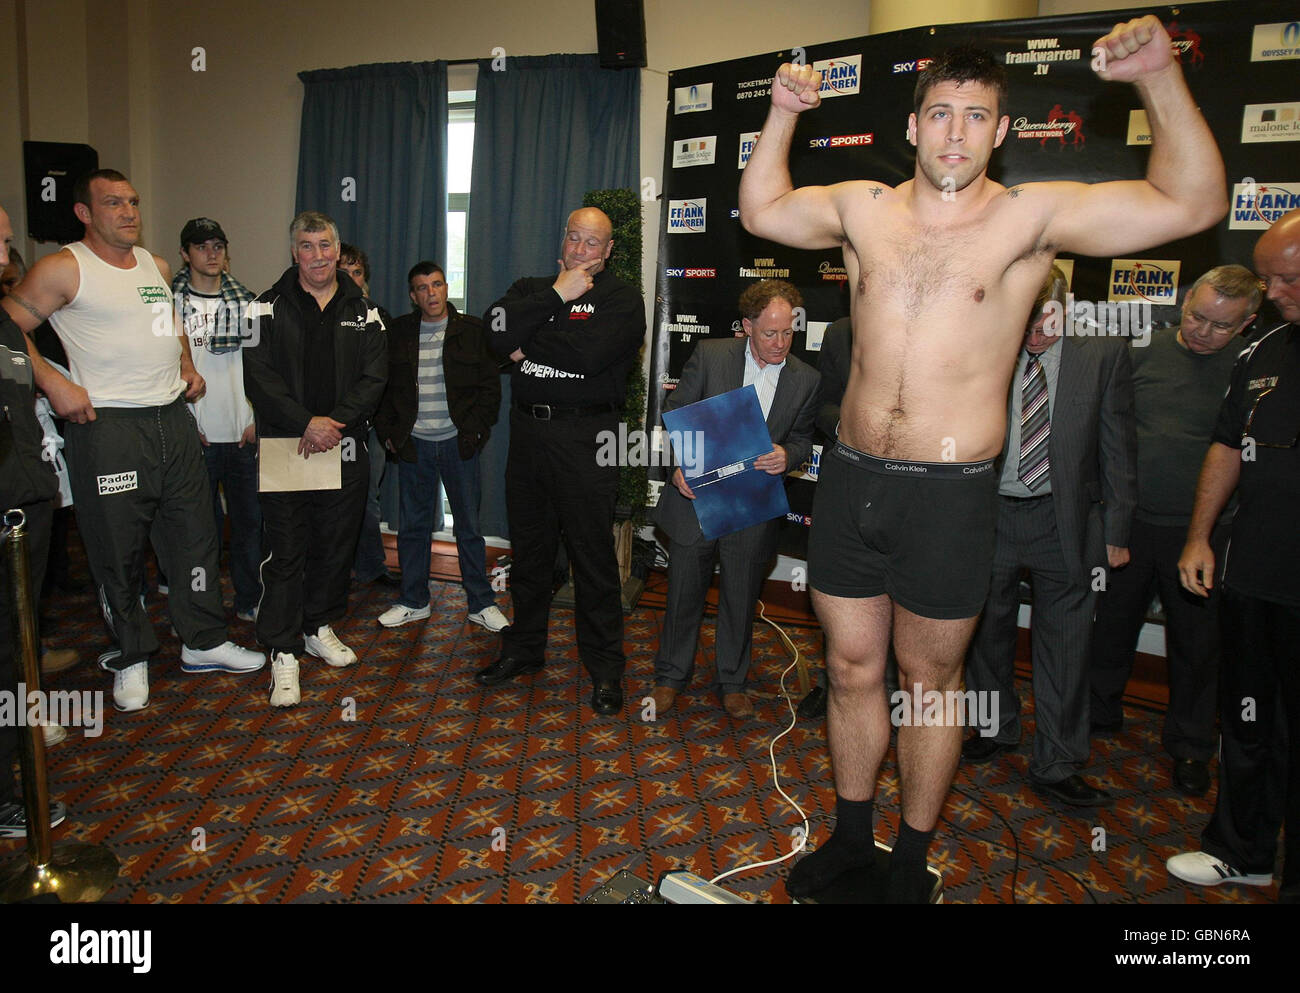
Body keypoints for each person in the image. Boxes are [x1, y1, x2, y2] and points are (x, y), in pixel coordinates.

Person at [739, 18, 1226, 901]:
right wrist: (779, 113)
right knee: (850, 668)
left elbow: (1191, 203)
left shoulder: (1031, 221)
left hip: (952, 494)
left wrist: (1158, 77)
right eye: (940, 113)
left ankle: (911, 855)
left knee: (930, 681)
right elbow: (762, 210)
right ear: (914, 126)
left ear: (1001, 132)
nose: (955, 131)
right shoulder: (862, 207)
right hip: (853, 481)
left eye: (975, 115)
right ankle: (854, 839)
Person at [0, 170, 264, 713]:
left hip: (171, 418)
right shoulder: (63, 267)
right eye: (113, 203)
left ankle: (203, 640)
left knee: (195, 537)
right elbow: (7, 325)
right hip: (110, 426)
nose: (128, 212)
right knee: (118, 547)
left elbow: (170, 321)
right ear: (84, 213)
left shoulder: (154, 265)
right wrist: (53, 382)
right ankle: (132, 651)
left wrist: (187, 365)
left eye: (134, 201)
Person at [962, 264, 1136, 805]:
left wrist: (1116, 529)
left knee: (1065, 643)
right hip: (991, 514)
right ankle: (995, 726)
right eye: (1026, 323)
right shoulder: (988, 347)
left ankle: (1058, 761)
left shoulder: (1100, 355)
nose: (1035, 335)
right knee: (985, 633)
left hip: (1065, 521)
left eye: (1047, 322)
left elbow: (1118, 448)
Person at [1166, 210, 1300, 902]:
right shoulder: (1265, 349)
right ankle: (1241, 848)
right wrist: (1198, 534)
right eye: (1269, 277)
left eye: (1288, 277)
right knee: (1246, 715)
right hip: (1253, 575)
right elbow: (1225, 444)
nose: (1274, 290)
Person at [1090, 265, 1259, 797]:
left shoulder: (1253, 370)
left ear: (1247, 324)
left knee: (1197, 644)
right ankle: (1098, 713)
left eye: (1220, 325)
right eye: (1196, 315)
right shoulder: (1141, 354)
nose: (1202, 331)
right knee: (1112, 625)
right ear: (1184, 302)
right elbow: (1109, 434)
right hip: (1131, 524)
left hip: (1206, 534)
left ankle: (1190, 746)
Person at [480, 207, 644, 715]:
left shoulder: (621, 298)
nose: (580, 249)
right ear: (563, 239)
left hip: (587, 439)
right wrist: (555, 297)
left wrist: (526, 345)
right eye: (574, 237)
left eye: (592, 242)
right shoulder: (531, 287)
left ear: (608, 250)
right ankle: (525, 650)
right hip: (529, 435)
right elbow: (491, 334)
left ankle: (605, 669)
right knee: (529, 555)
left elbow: (590, 357)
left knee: (592, 560)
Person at [652, 280, 819, 719]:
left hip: (752, 504)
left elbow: (802, 439)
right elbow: (676, 413)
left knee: (741, 597)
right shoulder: (711, 356)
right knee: (684, 592)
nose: (780, 342)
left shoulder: (806, 379)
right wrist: (678, 467)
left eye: (788, 333)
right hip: (697, 499)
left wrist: (789, 455)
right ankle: (670, 676)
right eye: (769, 333)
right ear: (747, 327)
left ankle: (733, 682)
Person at [242, 211, 387, 707]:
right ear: (294, 252)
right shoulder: (264, 306)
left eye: (325, 245)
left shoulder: (364, 309)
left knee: (335, 546)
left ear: (337, 248)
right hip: (288, 446)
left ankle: (317, 626)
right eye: (307, 246)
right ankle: (283, 650)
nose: (318, 256)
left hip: (344, 445)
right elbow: (258, 378)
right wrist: (307, 422)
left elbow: (375, 378)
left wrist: (334, 423)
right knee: (286, 552)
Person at [374, 261, 505, 632]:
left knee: (468, 528)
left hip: (457, 444)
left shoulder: (473, 331)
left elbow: (489, 390)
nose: (430, 293)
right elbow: (382, 387)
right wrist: (388, 432)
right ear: (413, 296)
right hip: (413, 445)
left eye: (436, 285)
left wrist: (476, 431)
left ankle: (481, 602)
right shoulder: (398, 333)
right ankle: (413, 600)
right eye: (422, 288)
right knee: (413, 527)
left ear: (446, 288)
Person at [0, 202, 68, 835]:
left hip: (24, 507)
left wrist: (48, 377)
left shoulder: (3, 324)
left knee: (14, 653)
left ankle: (15, 765)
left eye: (5, 242)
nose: (5, 259)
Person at [171, 217, 262, 623]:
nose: (211, 253)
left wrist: (258, 418)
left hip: (242, 434)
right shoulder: (167, 306)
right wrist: (186, 424)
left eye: (218, 245)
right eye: (201, 246)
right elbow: (163, 370)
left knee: (251, 528)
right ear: (185, 253)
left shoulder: (249, 303)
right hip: (196, 436)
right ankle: (201, 610)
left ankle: (250, 601)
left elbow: (262, 370)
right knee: (198, 534)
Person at [339, 243, 400, 589]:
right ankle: (332, 568)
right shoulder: (321, 316)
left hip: (370, 426)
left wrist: (387, 425)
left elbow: (390, 377)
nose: (352, 279)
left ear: (366, 279)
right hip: (327, 426)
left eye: (357, 272)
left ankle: (371, 566)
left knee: (366, 500)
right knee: (330, 500)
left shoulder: (380, 317)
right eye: (344, 272)